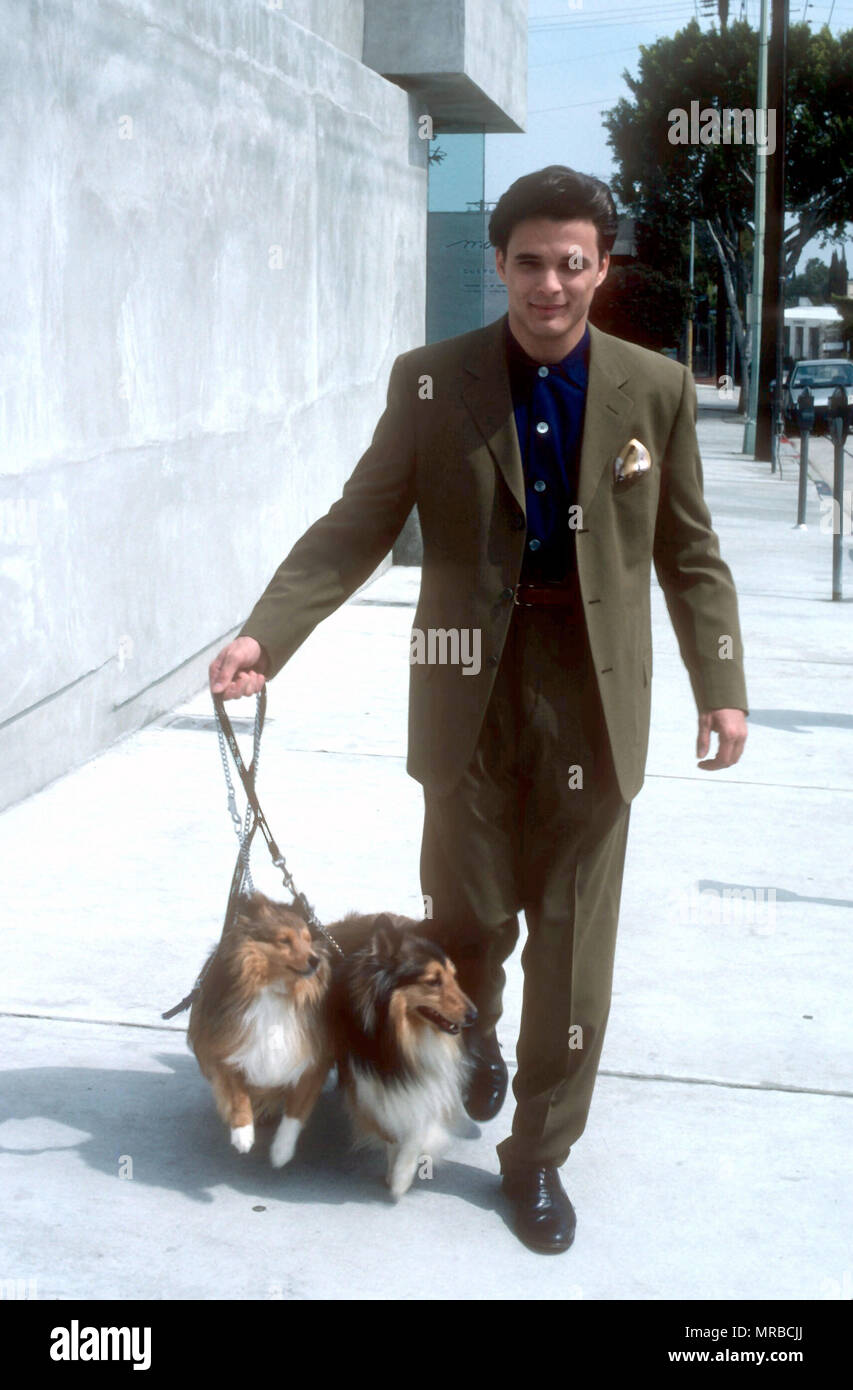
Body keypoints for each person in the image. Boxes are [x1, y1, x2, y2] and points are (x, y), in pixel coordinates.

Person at [209, 166, 748, 1254]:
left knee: (574, 952)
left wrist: (721, 685)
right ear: (499, 264)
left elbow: (690, 550)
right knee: (470, 922)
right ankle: (477, 1029)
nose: (550, 284)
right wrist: (268, 631)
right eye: (530, 262)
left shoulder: (653, 385)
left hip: (596, 702)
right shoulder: (431, 380)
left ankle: (537, 1155)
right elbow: (355, 522)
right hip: (467, 697)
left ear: (602, 265)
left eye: (573, 262)